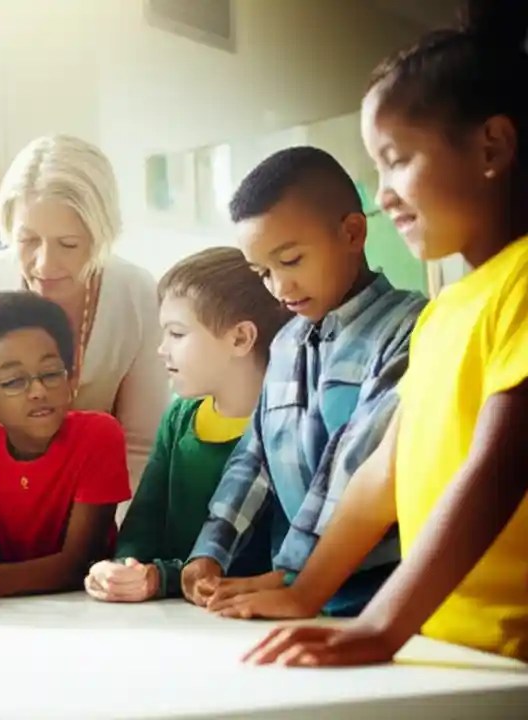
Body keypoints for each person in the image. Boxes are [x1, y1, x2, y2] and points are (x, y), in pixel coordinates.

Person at [235, 0, 528, 665]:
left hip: (510, 653)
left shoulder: (522, 282)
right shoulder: (447, 310)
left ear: (492, 147)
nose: (383, 193)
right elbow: (381, 477)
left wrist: (382, 626)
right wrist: (305, 592)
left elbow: (498, 467)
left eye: (395, 160)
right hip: (447, 647)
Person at [180, 147, 428, 616]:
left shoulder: (408, 328)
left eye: (291, 260)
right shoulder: (285, 343)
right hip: (301, 598)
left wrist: (294, 577)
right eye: (263, 273)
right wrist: (212, 550)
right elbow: (254, 456)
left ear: (352, 232)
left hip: (384, 601)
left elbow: (356, 465)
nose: (278, 287)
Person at [0, 135, 167, 493]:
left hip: (101, 508)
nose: (44, 264)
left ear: (101, 233)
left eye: (68, 244)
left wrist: (107, 536)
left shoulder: (136, 294)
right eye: (28, 241)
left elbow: (139, 449)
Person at [86, 248, 289, 602]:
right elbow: (142, 527)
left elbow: (259, 562)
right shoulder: (180, 418)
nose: (161, 350)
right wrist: (121, 569)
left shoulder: (288, 429)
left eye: (177, 334)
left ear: (240, 338)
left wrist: (159, 578)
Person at [0, 291, 131, 597]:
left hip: (85, 606)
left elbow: (81, 562)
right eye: (14, 381)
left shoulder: (99, 435)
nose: (37, 391)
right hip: (4, 614)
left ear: (72, 380)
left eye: (50, 374)